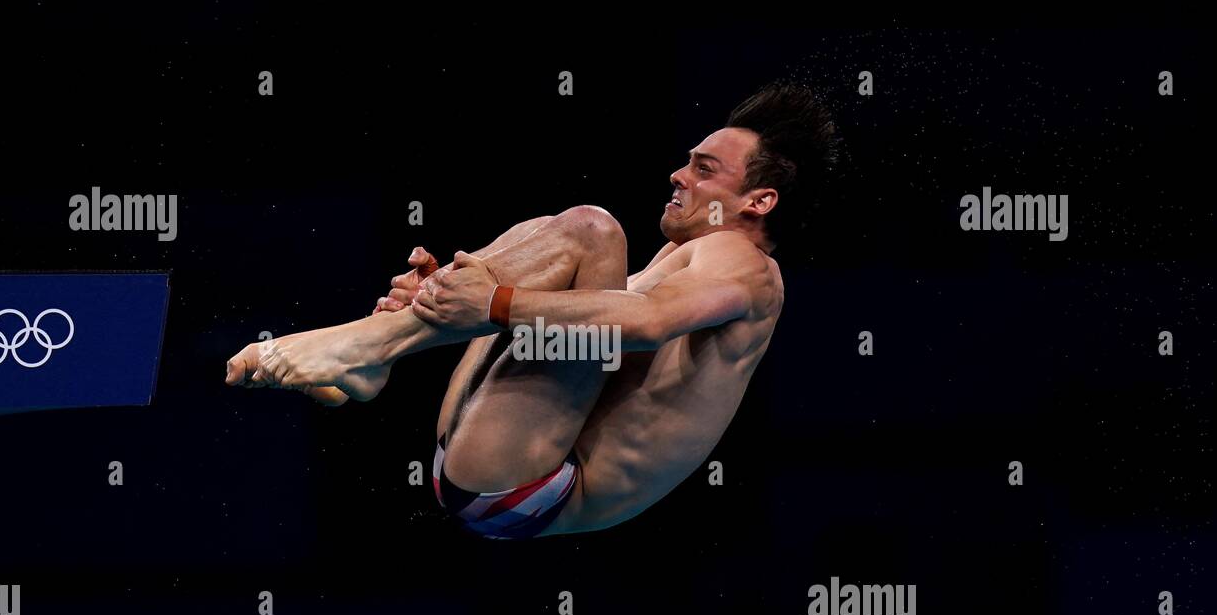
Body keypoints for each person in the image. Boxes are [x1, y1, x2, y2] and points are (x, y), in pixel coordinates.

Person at [226, 81, 838, 538]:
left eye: (703, 170)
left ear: (759, 200)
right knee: (554, 240)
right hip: (500, 455)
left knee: (591, 232)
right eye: (688, 160)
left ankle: (370, 346)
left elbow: (647, 326)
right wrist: (448, 293)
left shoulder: (746, 265)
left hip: (531, 485)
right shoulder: (682, 253)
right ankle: (376, 349)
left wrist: (490, 301)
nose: (679, 175)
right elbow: (568, 324)